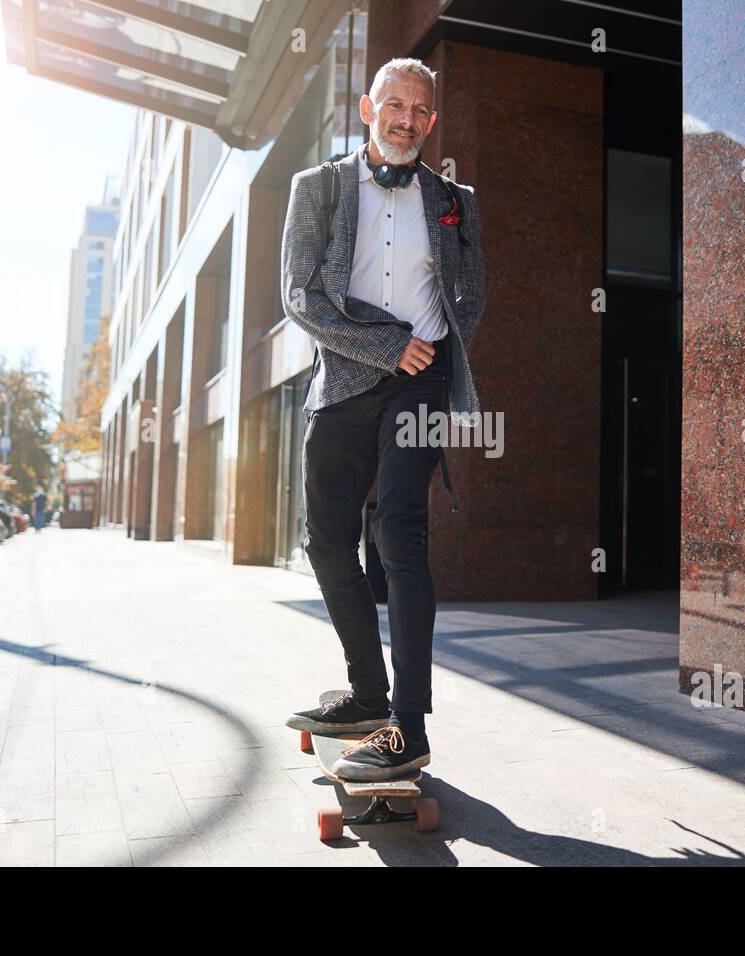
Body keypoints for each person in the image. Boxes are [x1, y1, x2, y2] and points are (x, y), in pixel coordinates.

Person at [281, 57, 485, 782]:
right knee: (327, 540)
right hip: (344, 379)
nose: (406, 120)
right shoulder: (319, 188)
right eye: (393, 105)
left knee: (399, 528)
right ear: (369, 108)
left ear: (430, 122)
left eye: (419, 111)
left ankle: (409, 725)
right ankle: (367, 696)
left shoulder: (455, 200)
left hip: (419, 385)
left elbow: (470, 297)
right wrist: (385, 343)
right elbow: (300, 297)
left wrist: (424, 354)